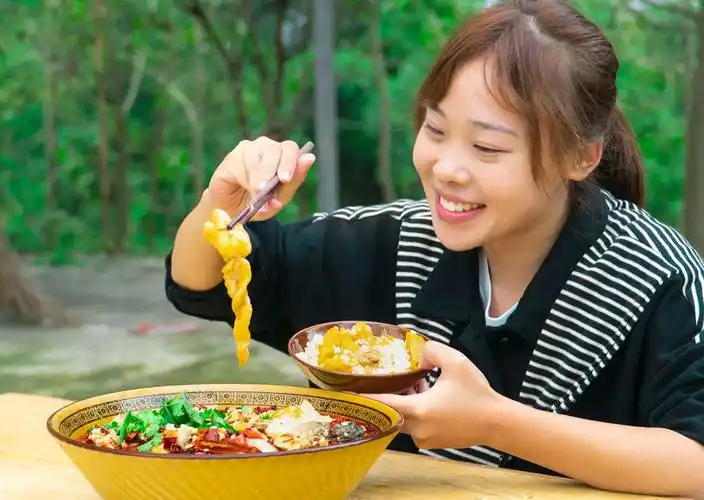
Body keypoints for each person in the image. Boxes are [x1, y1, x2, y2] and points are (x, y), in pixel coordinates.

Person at [165, 0, 704, 497]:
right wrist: (220, 202)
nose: (446, 169)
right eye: (436, 128)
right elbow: (201, 284)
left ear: (580, 158)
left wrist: (494, 421)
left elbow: (694, 461)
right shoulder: (392, 239)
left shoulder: (660, 277)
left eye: (488, 147)